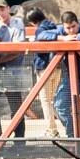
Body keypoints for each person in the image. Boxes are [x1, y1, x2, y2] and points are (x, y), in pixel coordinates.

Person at [0, 0, 27, 140]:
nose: (1, 13)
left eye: (3, 9)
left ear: (8, 9)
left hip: (13, 70)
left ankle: (19, 141)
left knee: (15, 106)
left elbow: (16, 50)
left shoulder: (17, 23)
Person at [27, 7, 63, 136]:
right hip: (57, 67)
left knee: (45, 100)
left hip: (44, 68)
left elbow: (42, 48)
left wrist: (34, 43)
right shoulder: (55, 26)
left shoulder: (40, 30)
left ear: (33, 22)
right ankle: (57, 126)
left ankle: (51, 130)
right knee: (51, 99)